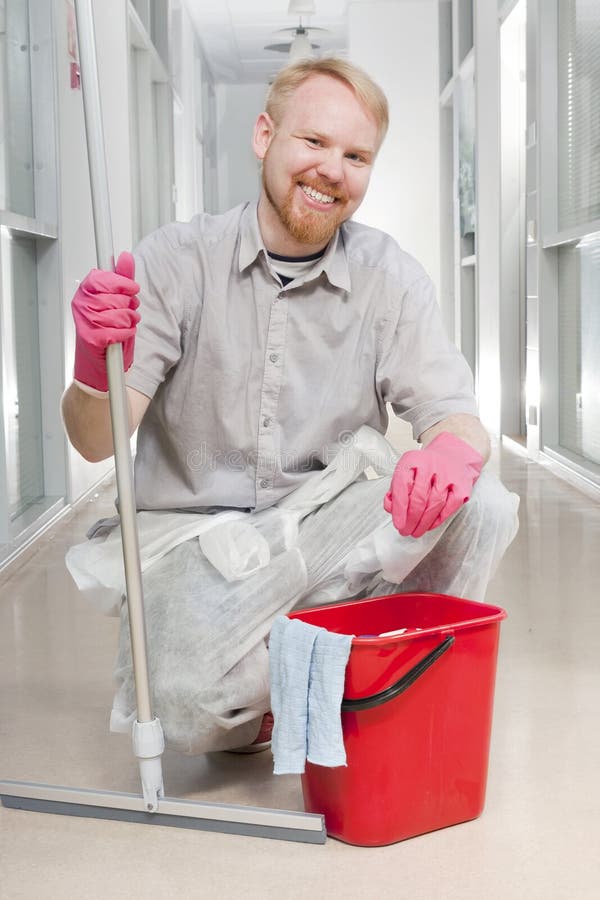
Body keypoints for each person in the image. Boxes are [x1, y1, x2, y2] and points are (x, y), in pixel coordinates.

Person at [62, 58, 519, 754]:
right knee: (187, 710)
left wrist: (454, 447)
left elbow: (451, 412)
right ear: (265, 136)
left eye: (356, 155)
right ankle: (348, 666)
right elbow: (96, 442)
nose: (332, 170)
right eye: (313, 142)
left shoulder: (387, 277)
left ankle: (362, 673)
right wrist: (93, 366)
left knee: (479, 500)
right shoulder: (178, 262)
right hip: (196, 542)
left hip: (323, 525)